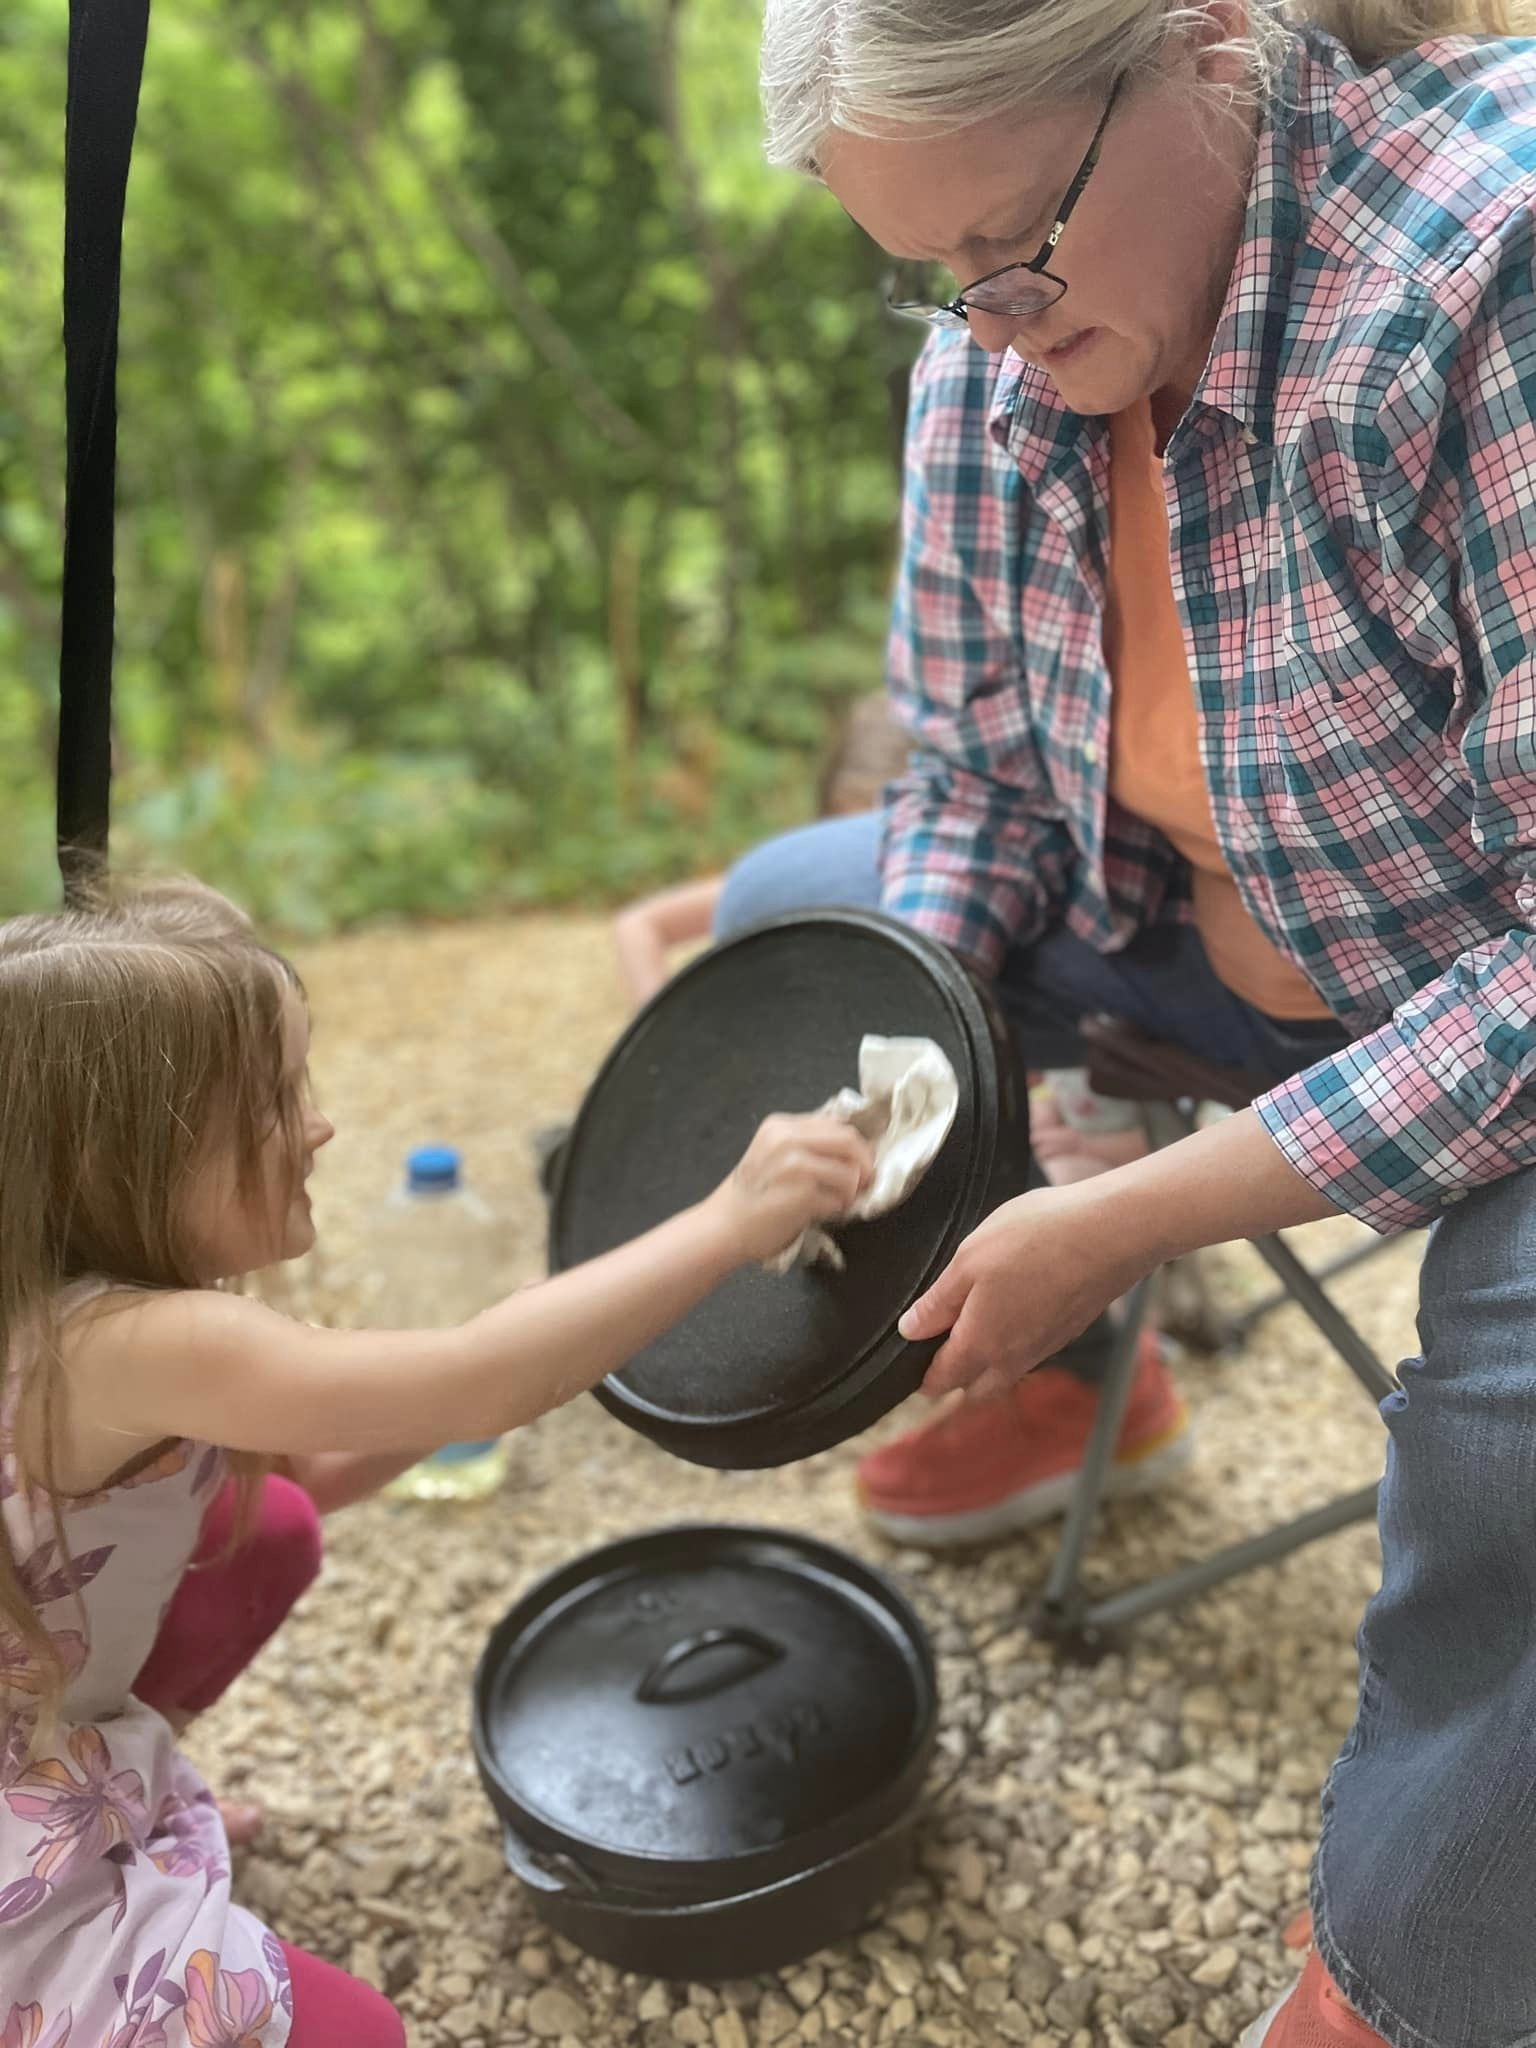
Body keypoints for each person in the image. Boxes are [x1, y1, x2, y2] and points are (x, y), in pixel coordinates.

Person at [750, 0, 1536, 2040]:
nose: (991, 328)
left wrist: (1132, 1213)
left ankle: (1424, 1966)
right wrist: (896, 1101)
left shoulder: (1484, 269)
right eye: (939, 282)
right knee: (787, 931)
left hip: (1486, 989)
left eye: (1020, 244)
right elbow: (982, 797)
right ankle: (1054, 1379)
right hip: (1206, 945)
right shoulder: (992, 371)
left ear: (1204, 48)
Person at [0, 878, 872, 2048]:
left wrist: (590, 1315)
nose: (319, 1126)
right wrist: (724, 1222)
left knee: (269, 1522)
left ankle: (112, 1786)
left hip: (43, 1690)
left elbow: (315, 1463)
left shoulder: (80, 1307)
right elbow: (479, 1377)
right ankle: (65, 1883)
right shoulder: (126, 1343)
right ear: (131, 1156)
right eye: (271, 1101)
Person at [614, 690, 910, 1008]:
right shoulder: (801, 882)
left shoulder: (769, 876)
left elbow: (638, 923)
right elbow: (639, 923)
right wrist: (662, 1023)